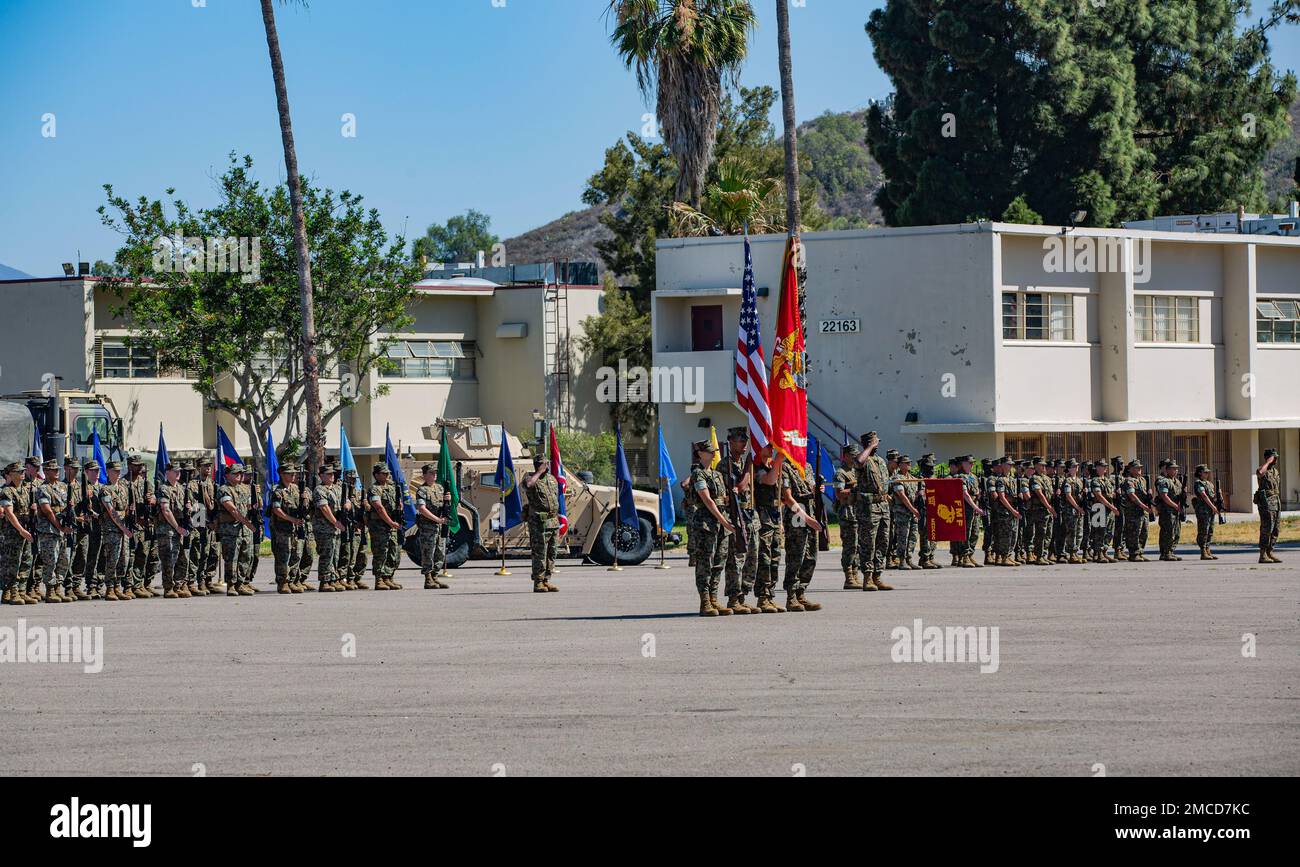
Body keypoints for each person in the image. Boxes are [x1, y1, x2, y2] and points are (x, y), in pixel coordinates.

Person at [688, 439, 735, 617]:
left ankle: (714, 599)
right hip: (706, 523)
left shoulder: (717, 475)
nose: (713, 453)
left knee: (719, 562)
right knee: (705, 563)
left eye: (714, 451)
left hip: (721, 523)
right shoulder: (698, 474)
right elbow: (707, 500)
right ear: (700, 453)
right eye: (709, 451)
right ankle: (705, 601)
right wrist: (723, 521)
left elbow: (723, 497)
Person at [721, 427, 760, 612]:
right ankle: (733, 598)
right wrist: (748, 467)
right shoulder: (725, 465)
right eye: (740, 440)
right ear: (730, 442)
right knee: (736, 560)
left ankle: (743, 595)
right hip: (736, 517)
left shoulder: (744, 463)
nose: (744, 443)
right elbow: (740, 487)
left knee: (752, 559)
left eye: (745, 440)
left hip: (751, 516)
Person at [781, 455, 824, 612]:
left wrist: (818, 489)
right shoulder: (785, 467)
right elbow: (787, 497)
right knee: (796, 556)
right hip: (796, 516)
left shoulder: (807, 466)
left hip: (810, 510)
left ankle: (801, 592)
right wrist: (806, 519)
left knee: (810, 556)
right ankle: (791, 596)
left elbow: (811, 487)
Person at [853, 431, 894, 590]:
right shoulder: (864, 459)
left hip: (883, 506)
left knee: (883, 541)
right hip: (869, 508)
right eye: (875, 441)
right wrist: (869, 447)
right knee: (868, 543)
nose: (878, 443)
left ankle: (877, 575)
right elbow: (857, 462)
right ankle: (867, 577)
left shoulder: (880, 461)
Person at [34, 459, 73, 602]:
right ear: (46, 471)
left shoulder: (63, 486)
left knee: (64, 559)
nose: (57, 471)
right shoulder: (43, 489)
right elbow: (48, 512)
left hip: (63, 529)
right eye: (53, 469)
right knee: (51, 560)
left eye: (58, 469)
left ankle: (58, 587)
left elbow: (68, 508)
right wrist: (60, 527)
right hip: (49, 530)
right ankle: (50, 591)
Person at [752, 446, 785, 612]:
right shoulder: (756, 469)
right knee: (764, 558)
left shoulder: (773, 467)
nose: (772, 448)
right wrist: (779, 460)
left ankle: (770, 596)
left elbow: (779, 495)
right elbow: (770, 480)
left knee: (775, 558)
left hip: (774, 516)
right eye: (768, 445)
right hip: (763, 517)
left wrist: (780, 521)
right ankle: (762, 597)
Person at [522, 453, 561, 593]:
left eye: (547, 464)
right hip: (539, 523)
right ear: (537, 465)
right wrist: (539, 472)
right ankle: (538, 582)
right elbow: (528, 485)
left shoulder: (552, 480)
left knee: (552, 553)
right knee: (540, 553)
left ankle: (546, 580)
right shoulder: (529, 478)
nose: (546, 466)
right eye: (543, 464)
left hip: (553, 522)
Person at [217, 464, 256, 596]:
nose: (239, 475)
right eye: (236, 473)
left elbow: (251, 506)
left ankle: (241, 583)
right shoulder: (224, 489)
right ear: (228, 475)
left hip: (244, 531)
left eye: (240, 473)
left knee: (246, 557)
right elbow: (231, 509)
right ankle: (231, 585)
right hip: (230, 531)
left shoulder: (245, 489)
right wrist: (247, 522)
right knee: (231, 559)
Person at [269, 462, 308, 593]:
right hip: (282, 529)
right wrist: (292, 519)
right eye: (290, 473)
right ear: (282, 474)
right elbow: (276, 509)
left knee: (296, 555)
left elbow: (304, 507)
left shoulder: (297, 489)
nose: (293, 475)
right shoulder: (278, 491)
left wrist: (305, 500)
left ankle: (291, 580)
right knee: (283, 556)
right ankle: (282, 582)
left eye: (294, 473)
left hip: (295, 529)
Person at [155, 462, 192, 599]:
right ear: (168, 472)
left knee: (182, 559)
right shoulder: (164, 489)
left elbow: (189, 507)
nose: (178, 473)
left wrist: (189, 507)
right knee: (169, 559)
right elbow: (166, 510)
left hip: (180, 528)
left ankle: (179, 585)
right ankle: (168, 587)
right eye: (175, 471)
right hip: (167, 529)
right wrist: (177, 527)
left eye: (179, 471)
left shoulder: (182, 489)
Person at [97, 461, 133, 600]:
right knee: (112, 558)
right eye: (115, 471)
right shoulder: (105, 490)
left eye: (119, 471)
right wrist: (123, 528)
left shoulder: (123, 488)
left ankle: (118, 586)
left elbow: (126, 507)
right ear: (108, 472)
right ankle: (110, 588)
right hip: (112, 529)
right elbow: (111, 511)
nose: (118, 474)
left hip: (123, 529)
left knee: (124, 559)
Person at [0, 463, 35, 605]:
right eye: (19, 471)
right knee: (12, 562)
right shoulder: (7, 491)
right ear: (11, 474)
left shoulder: (25, 490)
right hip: (12, 532)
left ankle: (21, 591)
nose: (22, 473)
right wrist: (21, 530)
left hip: (25, 529)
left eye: (23, 471)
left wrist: (34, 509)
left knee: (26, 560)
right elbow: (8, 512)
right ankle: (12, 592)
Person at [367, 463, 404, 590]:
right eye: (384, 473)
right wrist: (390, 522)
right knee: (380, 552)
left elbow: (398, 503)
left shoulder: (392, 487)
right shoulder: (374, 489)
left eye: (388, 473)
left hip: (391, 524)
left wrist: (400, 508)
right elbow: (379, 507)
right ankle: (379, 579)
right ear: (376, 475)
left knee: (393, 551)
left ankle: (388, 577)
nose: (387, 475)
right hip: (379, 525)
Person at [414, 463, 451, 590]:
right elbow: (421, 508)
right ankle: (428, 578)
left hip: (440, 526)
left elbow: (445, 507)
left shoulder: (440, 488)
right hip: (428, 526)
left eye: (435, 472)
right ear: (424, 475)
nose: (434, 475)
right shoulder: (422, 490)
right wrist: (437, 520)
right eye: (431, 473)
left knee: (440, 552)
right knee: (428, 552)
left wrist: (448, 500)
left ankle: (435, 576)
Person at [834, 443, 863, 586]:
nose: (855, 457)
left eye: (856, 454)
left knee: (858, 546)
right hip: (847, 514)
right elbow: (839, 494)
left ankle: (856, 573)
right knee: (849, 546)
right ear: (845, 456)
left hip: (858, 513)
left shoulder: (857, 471)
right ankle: (849, 576)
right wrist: (854, 491)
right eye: (852, 454)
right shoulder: (840, 473)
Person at [1118, 460, 1156, 562]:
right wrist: (1143, 506)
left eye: (1140, 467)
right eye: (1136, 467)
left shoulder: (1143, 480)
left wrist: (1149, 495)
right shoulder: (1128, 481)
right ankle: (1133, 553)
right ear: (1130, 469)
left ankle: (1140, 552)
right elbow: (1132, 496)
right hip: (1133, 511)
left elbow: (1144, 494)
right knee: (1134, 533)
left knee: (1144, 532)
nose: (1139, 469)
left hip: (1143, 511)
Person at [890, 455, 921, 569]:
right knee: (903, 536)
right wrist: (913, 509)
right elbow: (902, 496)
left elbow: (915, 494)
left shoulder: (912, 478)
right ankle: (901, 560)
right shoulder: (897, 478)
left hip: (912, 512)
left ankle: (909, 558)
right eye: (906, 463)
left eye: (909, 462)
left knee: (912, 536)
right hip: (902, 511)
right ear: (900, 465)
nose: (909, 464)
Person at [1256, 448, 1283, 563]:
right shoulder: (1263, 470)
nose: (1275, 459)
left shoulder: (1275, 471)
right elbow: (1260, 473)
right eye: (1274, 457)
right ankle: (1262, 555)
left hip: (1276, 501)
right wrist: (1267, 462)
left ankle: (1269, 552)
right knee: (1267, 528)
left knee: (1275, 529)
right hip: (1266, 503)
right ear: (1268, 458)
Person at [1154, 460, 1184, 561]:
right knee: (1168, 532)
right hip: (1167, 511)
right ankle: (1165, 553)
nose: (1175, 471)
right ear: (1167, 470)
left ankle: (1170, 551)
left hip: (1176, 511)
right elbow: (1164, 496)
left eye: (1176, 469)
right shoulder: (1164, 481)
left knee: (1176, 532)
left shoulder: (1178, 482)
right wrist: (1175, 506)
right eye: (1173, 469)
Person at [1191, 464, 1220, 560]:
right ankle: (1203, 551)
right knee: (1203, 530)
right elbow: (1204, 496)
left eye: (1208, 472)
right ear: (1200, 473)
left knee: (1210, 530)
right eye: (1205, 472)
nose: (1207, 474)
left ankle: (1208, 550)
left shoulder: (1209, 483)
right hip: (1203, 510)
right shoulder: (1198, 483)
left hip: (1210, 510)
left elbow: (1212, 496)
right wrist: (1212, 507)